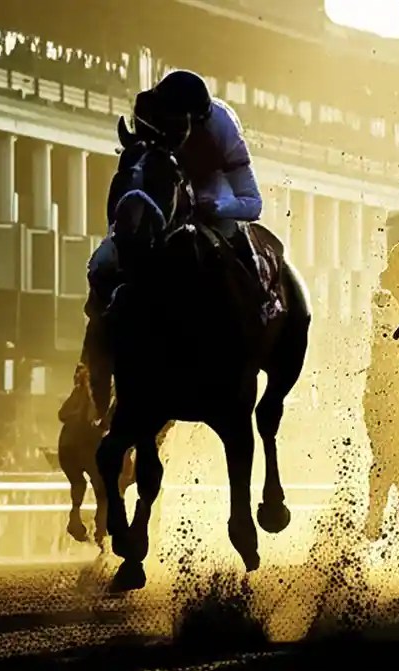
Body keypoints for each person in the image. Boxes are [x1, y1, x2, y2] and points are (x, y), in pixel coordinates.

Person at [81, 69, 264, 417]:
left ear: (193, 121)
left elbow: (253, 204)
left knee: (229, 254)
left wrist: (216, 206)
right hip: (161, 207)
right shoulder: (153, 118)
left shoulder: (222, 129)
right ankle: (93, 364)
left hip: (212, 198)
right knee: (101, 264)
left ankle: (250, 331)